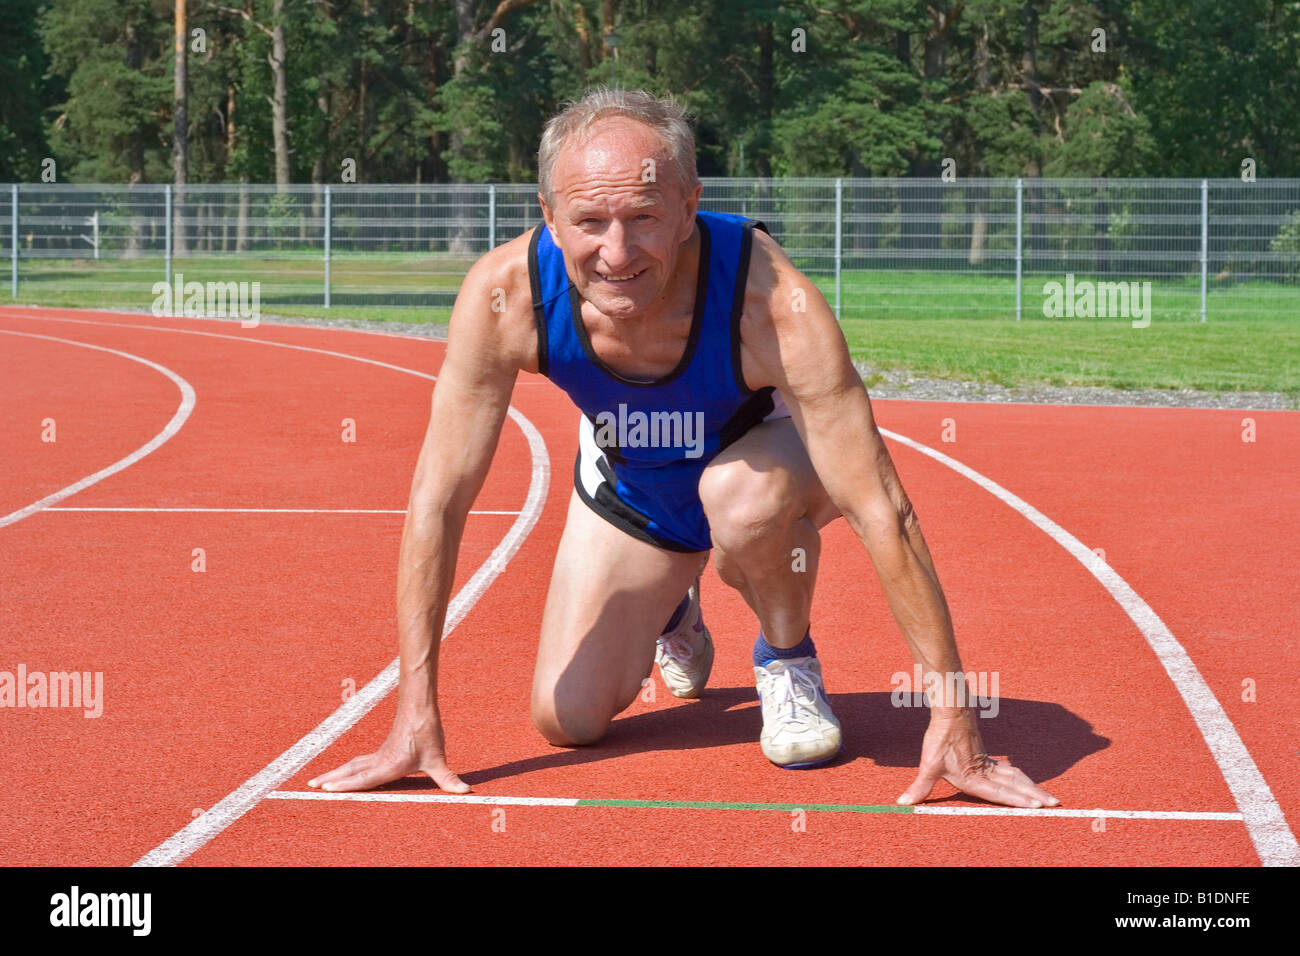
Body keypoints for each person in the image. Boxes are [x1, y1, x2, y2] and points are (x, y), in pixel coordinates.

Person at [309, 88, 1059, 810]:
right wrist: (413, 712)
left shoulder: (771, 301)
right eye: (589, 222)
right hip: (635, 484)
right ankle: (678, 608)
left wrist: (956, 715)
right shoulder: (506, 298)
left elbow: (879, 507)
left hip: (762, 464)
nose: (616, 251)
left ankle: (786, 658)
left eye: (643, 217)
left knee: (739, 500)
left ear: (689, 206)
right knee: (565, 720)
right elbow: (438, 503)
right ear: (547, 215)